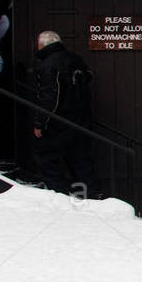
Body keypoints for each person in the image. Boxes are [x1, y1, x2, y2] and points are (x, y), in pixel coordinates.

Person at [31, 31, 94, 196]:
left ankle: (59, 193)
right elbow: (88, 78)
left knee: (46, 157)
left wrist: (40, 123)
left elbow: (50, 97)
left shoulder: (48, 65)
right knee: (79, 160)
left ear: (42, 45)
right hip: (81, 118)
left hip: (60, 121)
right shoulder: (76, 60)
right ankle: (89, 194)